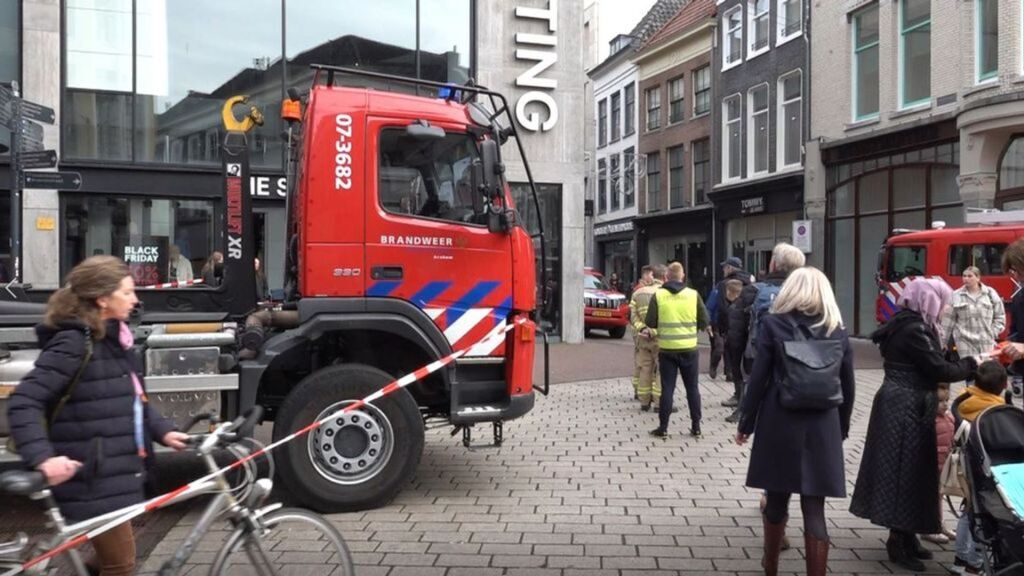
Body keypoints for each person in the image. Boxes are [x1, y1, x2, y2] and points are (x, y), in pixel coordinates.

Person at [7, 256, 189, 576]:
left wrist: (163, 431)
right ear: (103, 299)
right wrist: (44, 459)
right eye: (127, 293)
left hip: (115, 471)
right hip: (92, 475)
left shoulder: (113, 337)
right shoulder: (75, 343)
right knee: (121, 564)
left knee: (104, 560)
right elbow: (23, 401)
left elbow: (132, 399)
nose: (135, 300)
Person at [850, 278, 979, 572]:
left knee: (912, 471)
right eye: (942, 301)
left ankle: (907, 535)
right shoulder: (915, 329)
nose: (945, 307)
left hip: (902, 403)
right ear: (929, 300)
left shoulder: (907, 323)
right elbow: (938, 369)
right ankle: (898, 541)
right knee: (903, 472)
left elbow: (934, 363)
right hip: (905, 406)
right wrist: (974, 362)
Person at [734, 267, 855, 576]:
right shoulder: (837, 329)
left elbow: (758, 379)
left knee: (776, 499)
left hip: (779, 421)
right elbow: (848, 385)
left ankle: (771, 567)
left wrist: (746, 422)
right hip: (822, 424)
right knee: (815, 507)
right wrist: (841, 426)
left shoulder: (774, 325)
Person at [725, 243, 806, 424]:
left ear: (773, 265)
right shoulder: (807, 293)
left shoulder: (753, 291)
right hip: (798, 360)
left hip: (758, 355)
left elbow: (736, 332)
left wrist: (736, 361)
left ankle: (744, 413)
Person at [952, 361, 1008, 575]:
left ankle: (960, 558)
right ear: (1003, 385)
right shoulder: (997, 410)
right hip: (989, 472)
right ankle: (974, 563)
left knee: (968, 513)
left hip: (969, 470)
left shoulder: (964, 403)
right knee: (984, 517)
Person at [643, 261, 710, 438]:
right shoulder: (693, 295)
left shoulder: (659, 296)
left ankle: (663, 428)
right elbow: (705, 320)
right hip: (689, 348)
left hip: (667, 350)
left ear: (666, 277)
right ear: (683, 276)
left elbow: (649, 322)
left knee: (667, 389)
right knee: (692, 388)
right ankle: (696, 427)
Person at [941, 265, 1005, 361]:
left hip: (986, 342)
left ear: (978, 278)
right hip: (964, 341)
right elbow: (948, 321)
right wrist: (943, 342)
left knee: (986, 371)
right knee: (969, 369)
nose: (966, 279)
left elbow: (1000, 316)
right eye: (964, 276)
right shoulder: (956, 295)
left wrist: (993, 332)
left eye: (970, 276)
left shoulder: (990, 294)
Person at [921, 382, 956, 545]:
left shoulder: (948, 417)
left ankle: (938, 524)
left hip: (944, 464)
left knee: (939, 496)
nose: (945, 404)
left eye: (947, 400)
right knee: (930, 497)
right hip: (930, 465)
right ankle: (928, 527)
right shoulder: (929, 420)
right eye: (940, 401)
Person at [710, 256, 752, 387]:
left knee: (730, 352)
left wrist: (711, 322)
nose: (723, 269)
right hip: (746, 324)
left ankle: (734, 384)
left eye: (724, 267)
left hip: (727, 324)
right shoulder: (750, 282)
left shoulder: (723, 284)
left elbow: (716, 305)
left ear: (729, 268)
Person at [630, 264, 666, 411]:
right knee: (661, 369)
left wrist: (643, 329)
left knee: (645, 368)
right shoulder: (665, 293)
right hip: (660, 339)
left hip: (643, 338)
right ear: (664, 277)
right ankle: (659, 403)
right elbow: (666, 318)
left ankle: (644, 402)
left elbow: (632, 315)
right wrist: (654, 331)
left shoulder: (638, 293)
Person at [630, 266, 655, 400]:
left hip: (639, 330)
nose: (652, 278)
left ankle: (638, 390)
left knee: (640, 362)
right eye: (651, 275)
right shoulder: (641, 290)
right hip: (642, 332)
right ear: (645, 275)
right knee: (642, 363)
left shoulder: (638, 289)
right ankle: (641, 391)